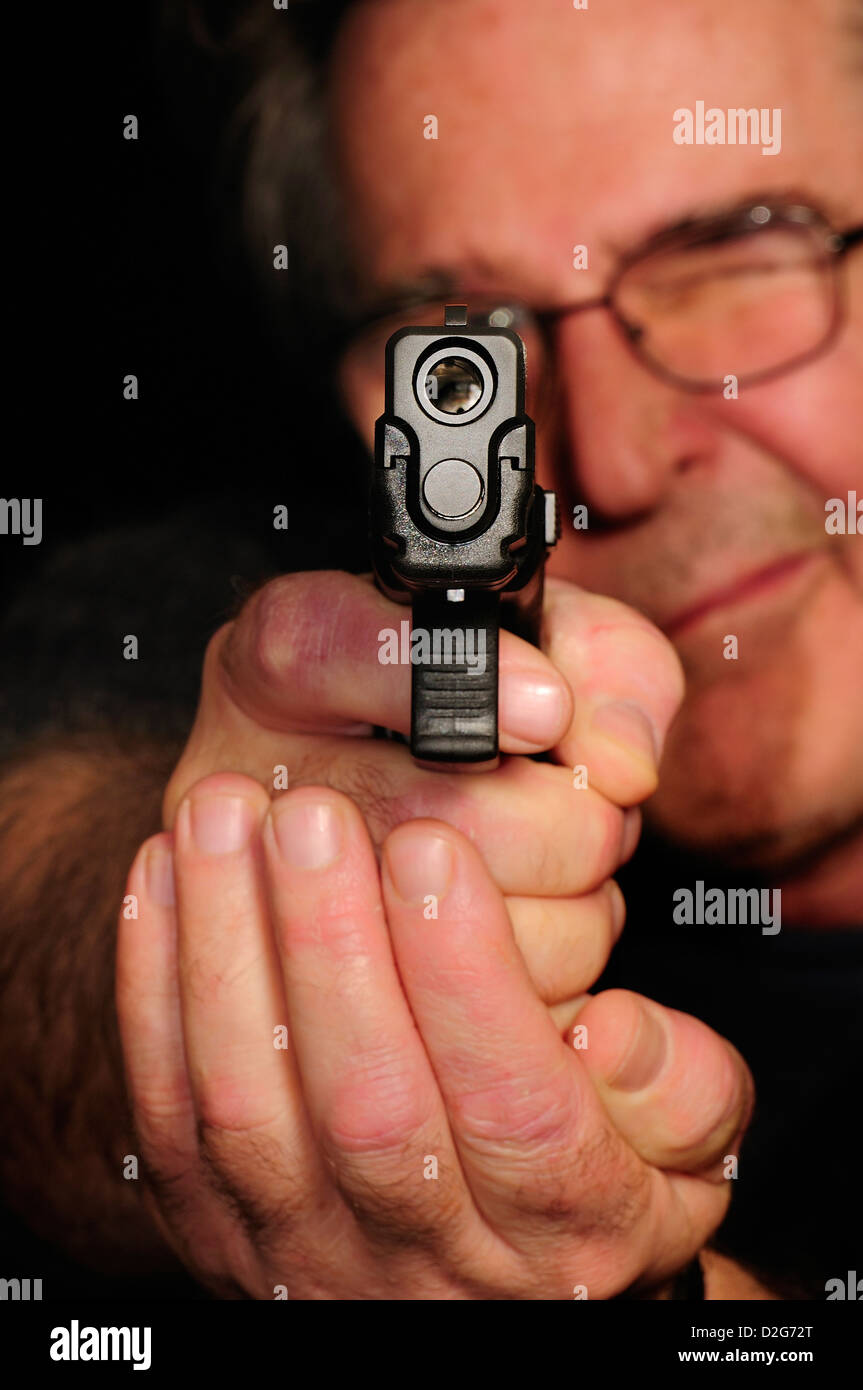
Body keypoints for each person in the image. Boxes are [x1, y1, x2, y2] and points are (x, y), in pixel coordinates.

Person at [1, 0, 860, 1300]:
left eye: (732, 254)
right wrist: (258, 908)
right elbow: (31, 859)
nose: (614, 464)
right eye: (465, 342)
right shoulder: (246, 593)